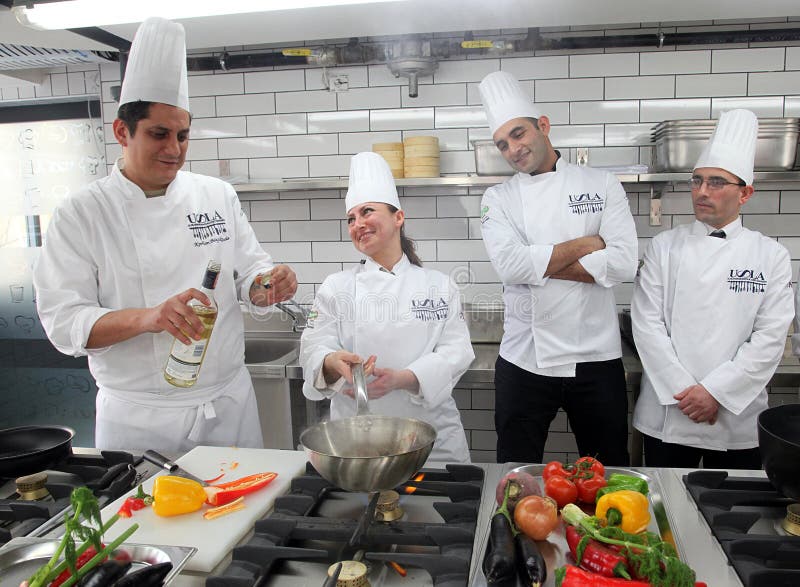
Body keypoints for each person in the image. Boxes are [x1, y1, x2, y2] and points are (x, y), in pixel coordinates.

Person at [33, 17, 297, 453]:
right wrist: (149, 318)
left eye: (182, 135)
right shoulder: (81, 214)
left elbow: (250, 273)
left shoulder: (216, 195)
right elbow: (64, 325)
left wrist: (268, 285)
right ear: (122, 131)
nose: (174, 149)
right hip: (139, 420)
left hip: (228, 406)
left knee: (249, 517)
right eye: (159, 134)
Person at [478, 71, 637, 465]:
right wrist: (588, 243)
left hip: (596, 357)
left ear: (543, 126)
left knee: (607, 471)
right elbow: (511, 266)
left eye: (518, 134)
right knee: (515, 473)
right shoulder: (498, 198)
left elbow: (623, 262)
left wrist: (538, 259)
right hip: (523, 360)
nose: (513, 149)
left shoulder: (601, 184)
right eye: (502, 144)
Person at [631, 109, 794, 469]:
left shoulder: (770, 255)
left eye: (717, 182)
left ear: (746, 193)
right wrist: (689, 395)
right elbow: (646, 326)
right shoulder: (664, 246)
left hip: (737, 418)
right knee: (665, 514)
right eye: (697, 180)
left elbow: (769, 338)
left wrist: (715, 393)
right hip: (669, 416)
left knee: (732, 515)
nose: (702, 192)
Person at [298, 152, 474, 463]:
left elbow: (457, 352)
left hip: (432, 441)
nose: (358, 224)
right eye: (351, 219)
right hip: (357, 440)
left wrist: (403, 378)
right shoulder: (336, 287)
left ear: (398, 217)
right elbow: (312, 347)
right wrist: (332, 361)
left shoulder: (439, 285)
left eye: (367, 212)